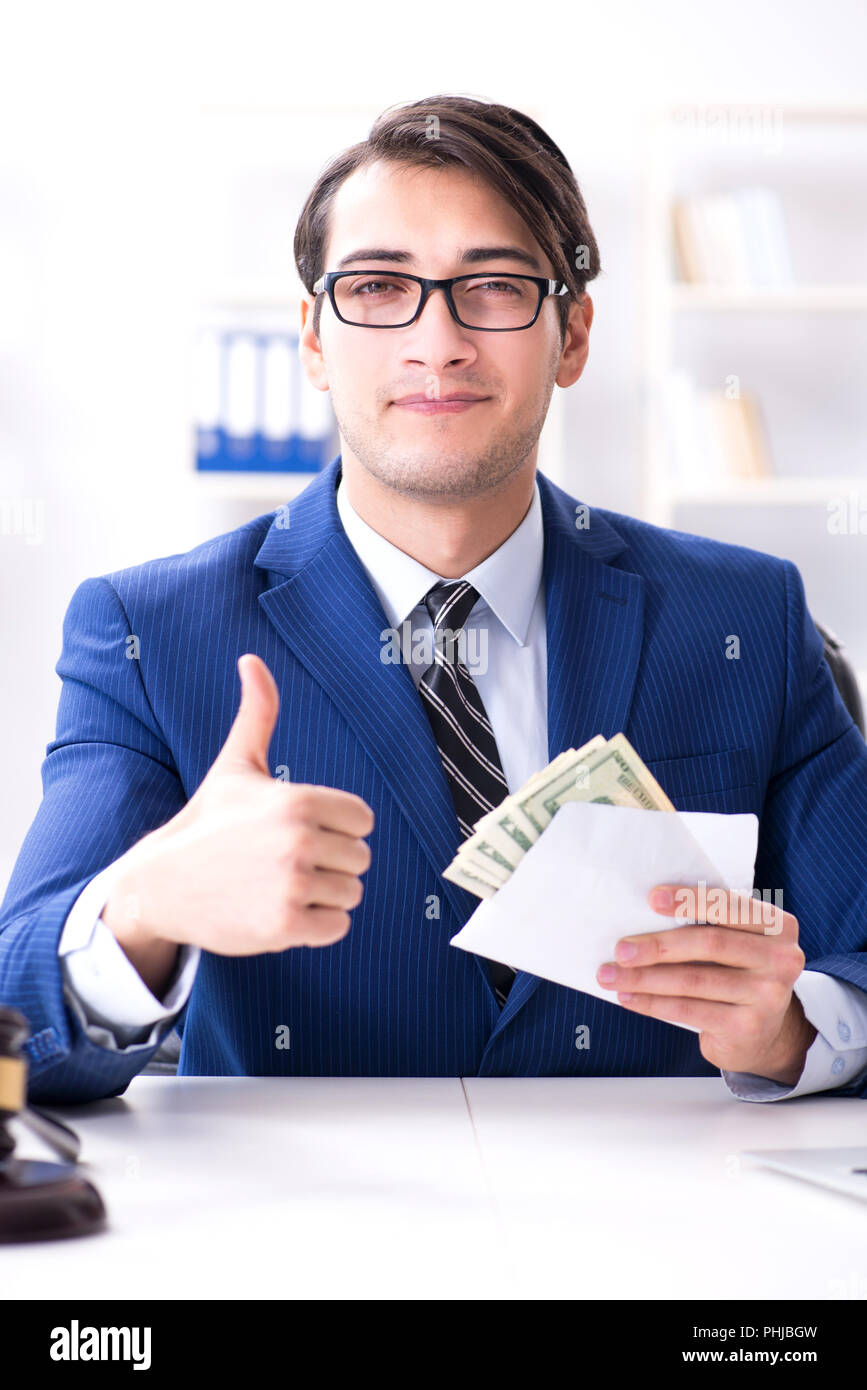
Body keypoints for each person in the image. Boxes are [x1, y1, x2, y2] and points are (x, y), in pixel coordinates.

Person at [2, 95, 867, 1106]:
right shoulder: (148, 631)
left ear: (573, 334)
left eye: (492, 287)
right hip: (299, 1239)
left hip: (665, 1242)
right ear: (315, 340)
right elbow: (17, 1025)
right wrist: (142, 908)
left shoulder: (744, 617)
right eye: (377, 287)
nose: (438, 340)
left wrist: (790, 1028)